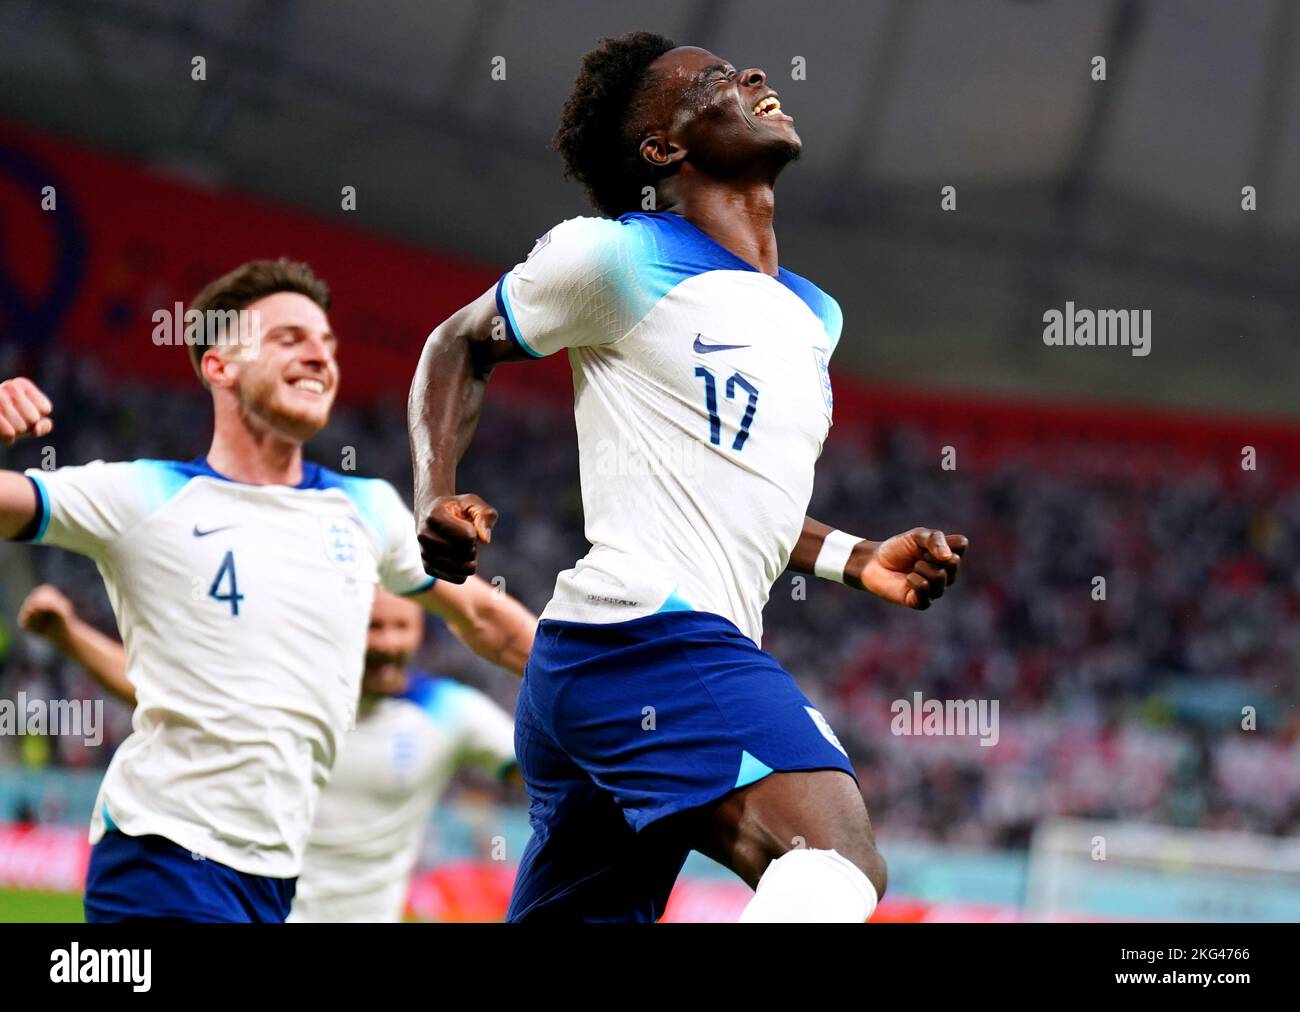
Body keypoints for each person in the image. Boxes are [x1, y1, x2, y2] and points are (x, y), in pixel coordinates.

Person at [406, 33, 968, 922]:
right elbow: (458, 342)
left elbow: (733, 495)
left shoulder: (813, 317)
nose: (754, 75)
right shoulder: (613, 257)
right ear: (662, 148)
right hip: (642, 636)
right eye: (716, 82)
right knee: (835, 857)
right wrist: (434, 492)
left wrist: (854, 559)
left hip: (604, 670)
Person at [0, 258, 535, 922]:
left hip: (272, 881)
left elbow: (487, 617)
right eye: (288, 338)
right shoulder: (143, 496)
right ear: (219, 366)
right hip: (164, 858)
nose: (319, 355)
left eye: (327, 344)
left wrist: (616, 683)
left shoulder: (364, 508)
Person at [19, 583, 518, 923]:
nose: (387, 643)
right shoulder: (288, 692)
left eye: (400, 627)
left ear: (420, 631)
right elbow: (156, 690)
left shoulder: (453, 713)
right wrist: (68, 634)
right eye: (373, 627)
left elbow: (540, 763)